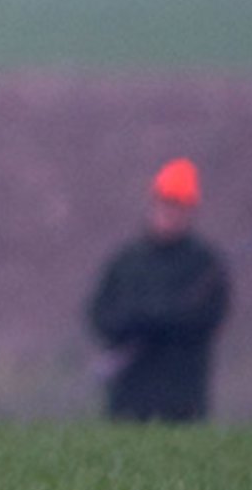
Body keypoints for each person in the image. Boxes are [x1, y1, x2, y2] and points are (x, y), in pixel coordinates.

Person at [88, 157, 230, 423]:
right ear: (154, 204)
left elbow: (210, 319)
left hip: (183, 399)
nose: (171, 214)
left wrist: (165, 320)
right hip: (128, 397)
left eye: (179, 207)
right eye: (166, 205)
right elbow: (99, 314)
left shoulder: (206, 264)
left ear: (190, 211)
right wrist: (136, 322)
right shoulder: (126, 261)